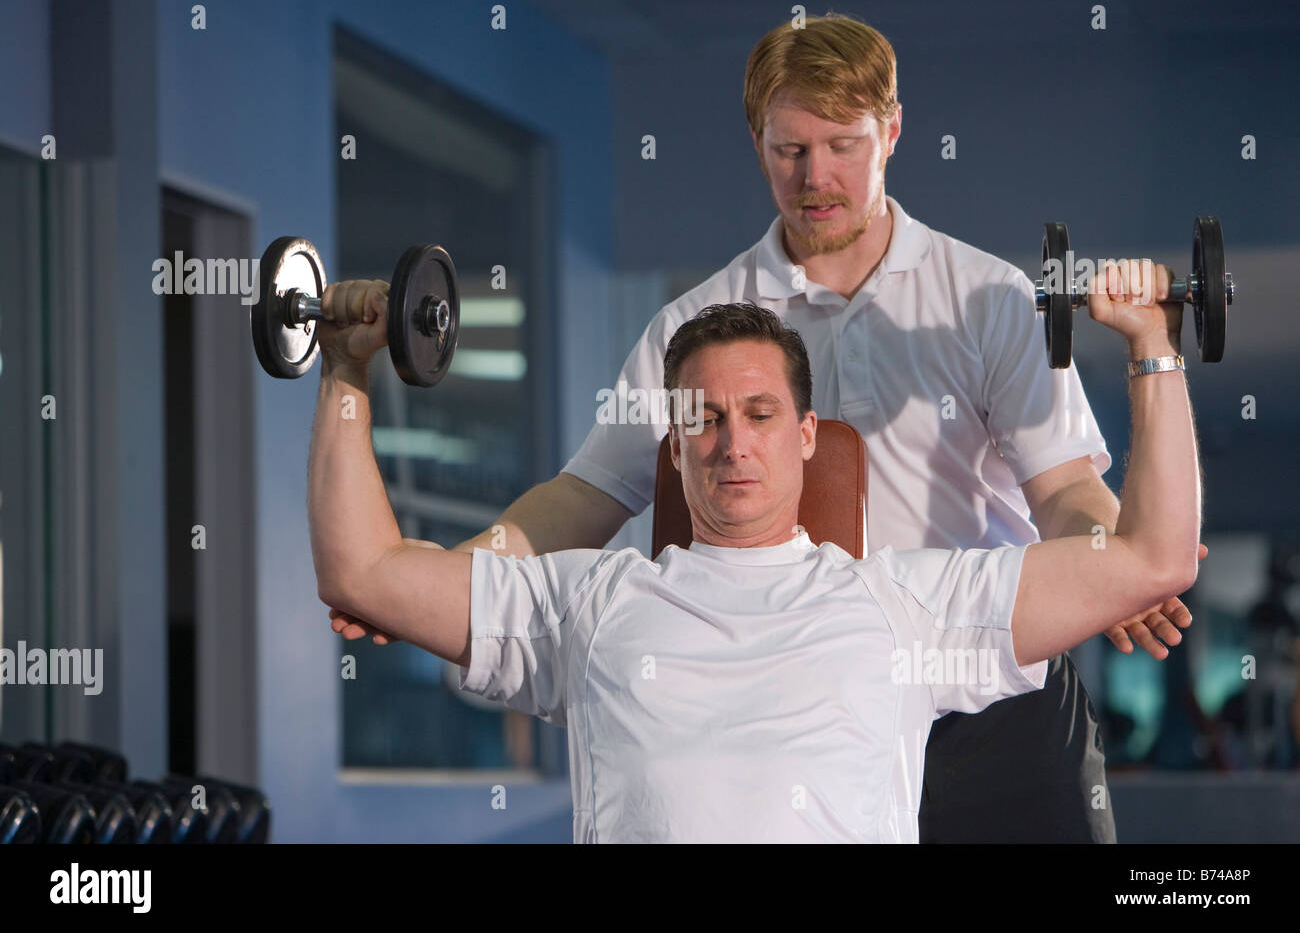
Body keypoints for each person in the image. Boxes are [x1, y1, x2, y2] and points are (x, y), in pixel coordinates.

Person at [326, 13, 1199, 842]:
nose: (815, 177)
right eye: (790, 150)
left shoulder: (988, 300)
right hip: (806, 700)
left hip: (985, 680)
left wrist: (1113, 565)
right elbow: (582, 498)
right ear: (758, 146)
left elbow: (1066, 491)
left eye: (842, 147)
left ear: (892, 132)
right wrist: (435, 581)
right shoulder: (696, 326)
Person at [309, 271, 1200, 841]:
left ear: (807, 436)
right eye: (704, 418)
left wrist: (1153, 343)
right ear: (673, 442)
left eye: (761, 415)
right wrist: (346, 371)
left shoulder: (906, 605)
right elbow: (365, 573)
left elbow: (1153, 558)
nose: (733, 443)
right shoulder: (586, 600)